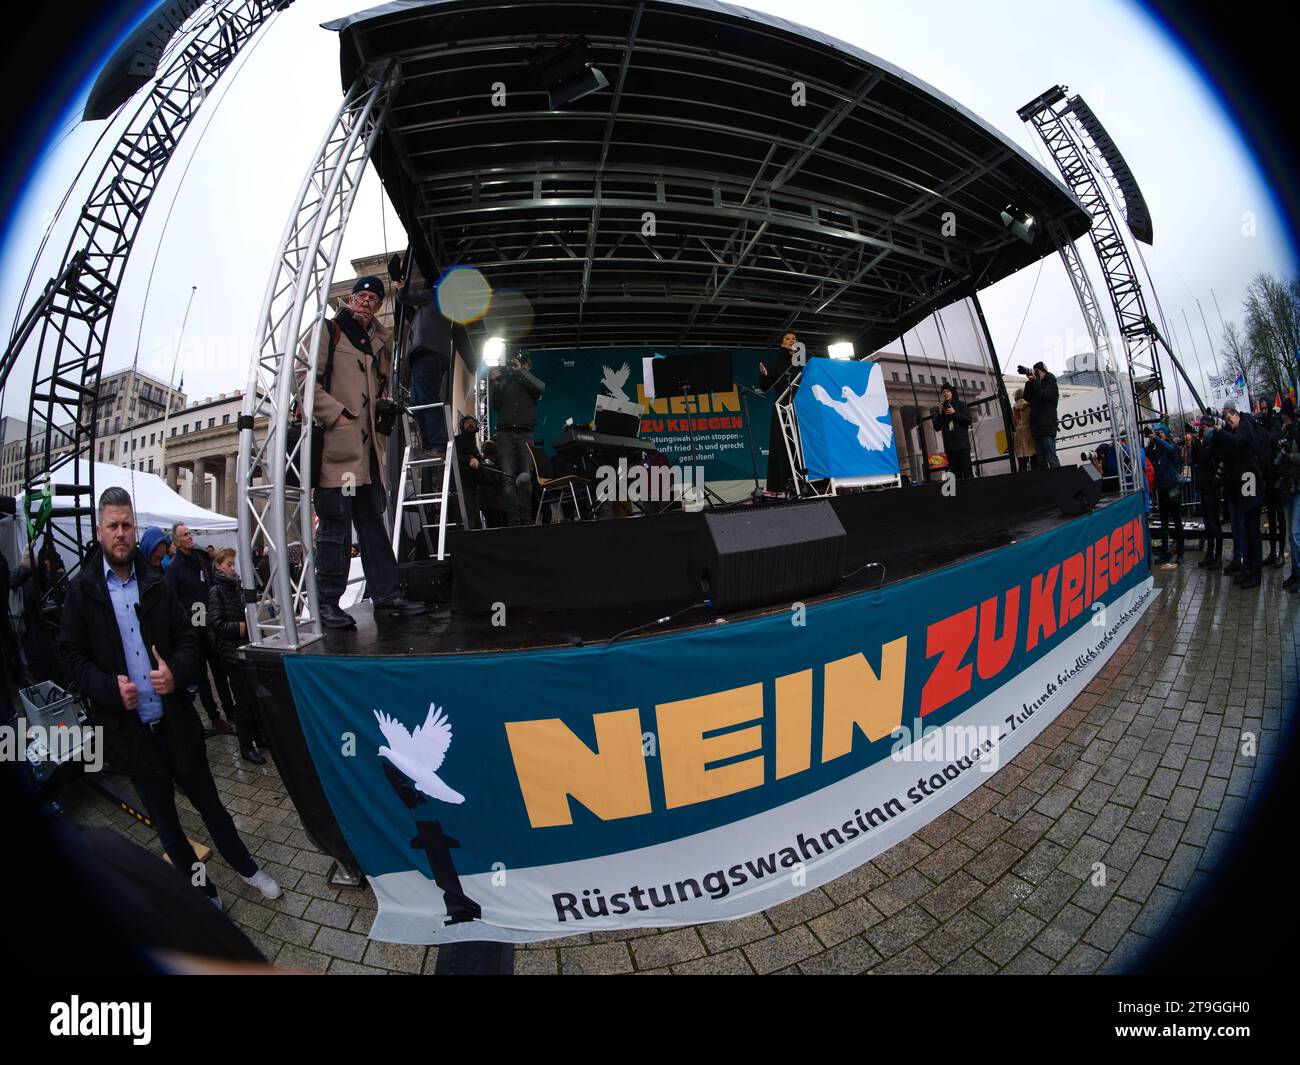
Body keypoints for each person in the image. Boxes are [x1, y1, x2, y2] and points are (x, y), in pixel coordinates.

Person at [58, 486, 281, 910]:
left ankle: (248, 869)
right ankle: (204, 893)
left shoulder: (156, 580)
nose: (121, 533)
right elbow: (70, 657)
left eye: (127, 525)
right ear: (101, 532)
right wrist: (109, 687)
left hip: (177, 724)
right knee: (168, 826)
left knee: (213, 808)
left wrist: (174, 673)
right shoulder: (82, 592)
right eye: (113, 526)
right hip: (132, 735)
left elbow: (187, 640)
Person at [310, 275, 426, 628]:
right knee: (335, 526)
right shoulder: (329, 331)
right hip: (339, 450)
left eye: (374, 299)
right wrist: (338, 416)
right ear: (349, 298)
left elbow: (374, 388)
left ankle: (386, 596)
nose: (367, 303)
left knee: (373, 525)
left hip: (369, 453)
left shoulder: (376, 342)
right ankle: (328, 602)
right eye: (361, 296)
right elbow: (303, 381)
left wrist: (384, 405)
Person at [164, 522, 235, 735]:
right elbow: (171, 601)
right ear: (176, 541)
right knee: (202, 678)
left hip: (210, 628)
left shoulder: (200, 559)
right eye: (184, 535)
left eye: (190, 533)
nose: (189, 537)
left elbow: (209, 585)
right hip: (192, 633)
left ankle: (231, 711)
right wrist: (187, 620)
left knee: (220, 673)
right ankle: (214, 717)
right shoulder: (173, 568)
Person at [206, 548, 267, 765]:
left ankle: (258, 738)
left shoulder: (234, 588)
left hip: (244, 650)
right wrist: (242, 628)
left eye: (233, 564)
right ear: (218, 566)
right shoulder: (216, 592)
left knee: (253, 698)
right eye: (229, 564)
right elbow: (218, 624)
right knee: (243, 703)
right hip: (232, 655)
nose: (233, 568)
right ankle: (246, 746)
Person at [396, 280, 456, 454]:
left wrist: (401, 288)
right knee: (417, 402)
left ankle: (438, 443)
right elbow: (418, 320)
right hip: (429, 354)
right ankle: (430, 443)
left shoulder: (434, 295)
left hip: (428, 353)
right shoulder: (438, 307)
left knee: (426, 400)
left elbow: (405, 297)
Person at [489, 350, 546, 525]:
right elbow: (495, 404)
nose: (518, 365)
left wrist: (520, 371)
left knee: (525, 478)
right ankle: (513, 519)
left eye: (523, 364)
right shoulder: (505, 381)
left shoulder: (531, 382)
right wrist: (494, 383)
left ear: (528, 366)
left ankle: (526, 518)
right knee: (507, 477)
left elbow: (541, 388)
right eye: (518, 363)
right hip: (505, 434)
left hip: (525, 433)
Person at [1219, 401, 1265, 589]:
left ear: (1237, 414)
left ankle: (1256, 572)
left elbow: (1237, 441)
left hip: (1250, 479)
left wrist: (1221, 432)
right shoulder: (1240, 427)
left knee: (1253, 528)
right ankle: (1248, 568)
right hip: (1245, 480)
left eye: (1230, 419)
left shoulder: (1246, 424)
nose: (1229, 423)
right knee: (1246, 527)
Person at [758, 330, 803, 495]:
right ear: (782, 344)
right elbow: (764, 387)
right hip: (783, 408)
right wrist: (764, 375)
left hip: (802, 410)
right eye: (788, 339)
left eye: (794, 339)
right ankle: (784, 485)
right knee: (784, 446)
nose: (792, 341)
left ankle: (809, 480)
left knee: (803, 445)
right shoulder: (775, 363)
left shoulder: (803, 361)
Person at [1146, 423, 1184, 570]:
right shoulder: (1157, 449)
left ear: (1165, 434)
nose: (1157, 434)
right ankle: (1165, 552)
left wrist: (1158, 438)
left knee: (1177, 523)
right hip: (1161, 490)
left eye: (1160, 432)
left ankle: (1180, 553)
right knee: (1164, 525)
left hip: (1172, 489)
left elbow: (1170, 449)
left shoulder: (1170, 446)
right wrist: (1151, 441)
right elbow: (1148, 454)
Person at [1191, 417, 1225, 569]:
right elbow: (1195, 459)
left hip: (1212, 487)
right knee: (1207, 523)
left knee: (1214, 523)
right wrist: (1195, 444)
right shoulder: (1203, 442)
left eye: (1203, 426)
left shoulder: (1214, 441)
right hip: (1204, 487)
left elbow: (1203, 457)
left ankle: (1218, 556)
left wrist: (1198, 444)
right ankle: (1209, 554)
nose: (1201, 429)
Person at [1278, 399, 1299, 591]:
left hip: (1298, 486)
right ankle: (1294, 572)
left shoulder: (1297, 431)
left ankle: (1298, 572)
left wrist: (1289, 455)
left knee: (1295, 532)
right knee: (1292, 536)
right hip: (1289, 487)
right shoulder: (1285, 432)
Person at [932, 382, 973, 480]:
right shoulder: (941, 408)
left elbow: (968, 421)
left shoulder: (960, 405)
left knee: (967, 472)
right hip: (950, 447)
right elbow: (937, 427)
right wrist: (941, 414)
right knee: (955, 475)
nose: (945, 393)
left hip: (962, 445)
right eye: (943, 392)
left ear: (952, 392)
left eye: (947, 391)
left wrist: (954, 413)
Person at [1023, 361, 1060, 468]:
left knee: (1051, 458)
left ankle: (1060, 480)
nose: (1035, 374)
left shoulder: (1051, 384)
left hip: (1047, 426)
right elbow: (1027, 397)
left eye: (1037, 372)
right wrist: (1030, 381)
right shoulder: (1036, 384)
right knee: (1041, 461)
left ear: (1044, 372)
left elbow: (1043, 396)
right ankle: (1047, 483)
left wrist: (1035, 382)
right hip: (1037, 427)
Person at [454, 413, 484, 530]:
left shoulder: (474, 446)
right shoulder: (457, 440)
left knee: (476, 522)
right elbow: (453, 455)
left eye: (473, 422)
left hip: (473, 488)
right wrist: (469, 459)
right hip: (460, 487)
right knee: (469, 523)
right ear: (461, 426)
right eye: (467, 422)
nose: (470, 424)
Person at [1012, 388, 1034, 471]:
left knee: (1022, 465)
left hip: (1019, 436)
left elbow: (1013, 424)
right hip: (1029, 434)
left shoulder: (1013, 409)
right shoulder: (1029, 406)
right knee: (1034, 462)